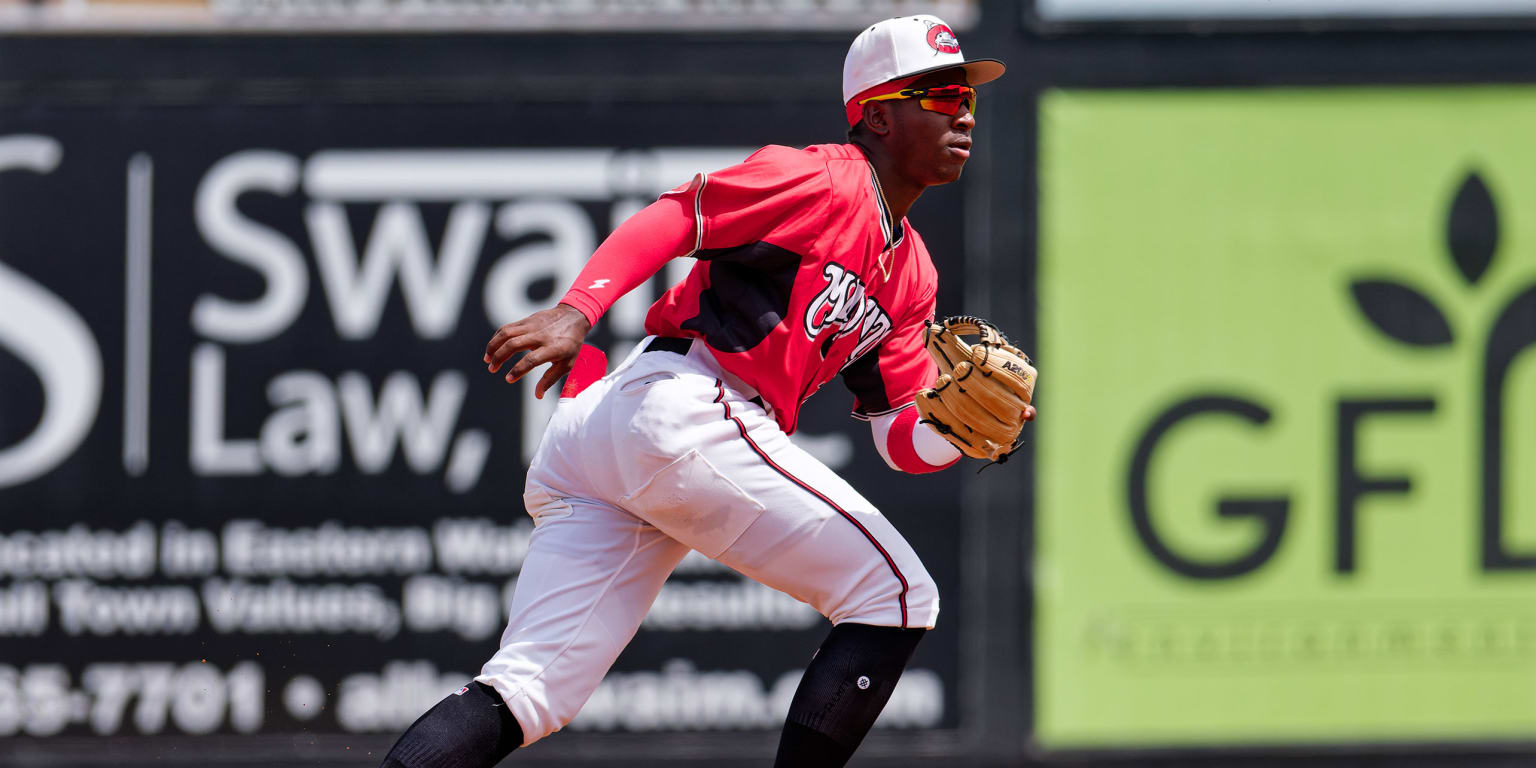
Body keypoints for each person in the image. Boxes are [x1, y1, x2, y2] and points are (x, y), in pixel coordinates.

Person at [379, 14, 1028, 768]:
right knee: (899, 596)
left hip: (624, 434)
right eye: (942, 93)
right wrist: (576, 310)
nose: (965, 111)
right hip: (684, 404)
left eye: (968, 97)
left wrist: (959, 429)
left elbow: (897, 439)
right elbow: (677, 215)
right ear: (878, 115)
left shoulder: (912, 274)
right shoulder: (821, 178)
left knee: (528, 696)